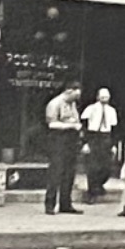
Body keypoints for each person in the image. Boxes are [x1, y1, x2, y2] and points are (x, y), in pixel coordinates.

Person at [41, 84, 83, 214]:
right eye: (75, 95)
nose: (77, 98)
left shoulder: (72, 104)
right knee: (56, 171)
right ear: (68, 91)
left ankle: (66, 203)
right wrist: (70, 126)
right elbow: (52, 124)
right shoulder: (54, 104)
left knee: (69, 172)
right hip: (58, 139)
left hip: (71, 140)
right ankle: (50, 203)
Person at [80, 87, 119, 201]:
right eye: (102, 97)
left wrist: (113, 144)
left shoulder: (112, 110)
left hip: (106, 136)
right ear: (97, 97)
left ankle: (99, 184)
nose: (104, 99)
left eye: (106, 97)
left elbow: (114, 128)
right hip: (93, 136)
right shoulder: (90, 109)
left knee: (106, 166)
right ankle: (91, 192)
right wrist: (85, 142)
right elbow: (84, 125)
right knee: (93, 165)